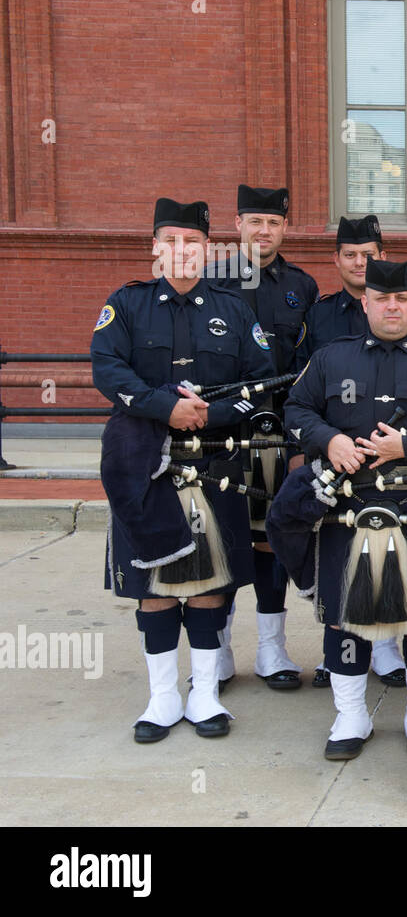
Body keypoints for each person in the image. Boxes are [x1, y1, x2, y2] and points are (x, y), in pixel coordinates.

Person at [92, 197, 274, 742]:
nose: (181, 251)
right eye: (170, 241)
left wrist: (210, 414)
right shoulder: (126, 305)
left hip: (213, 463)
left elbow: (259, 381)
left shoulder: (235, 310)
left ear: (206, 247)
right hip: (143, 467)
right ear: (155, 247)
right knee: (154, 585)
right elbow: (107, 370)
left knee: (209, 586)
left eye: (191, 242)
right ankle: (162, 696)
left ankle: (204, 695)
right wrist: (163, 407)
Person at [283, 257, 407, 758]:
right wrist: (330, 441)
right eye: (382, 299)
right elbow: (296, 410)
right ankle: (350, 716)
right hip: (350, 506)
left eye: (402, 299)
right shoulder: (331, 357)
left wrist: (406, 448)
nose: (392, 307)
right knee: (346, 617)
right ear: (365, 302)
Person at [206, 184, 320, 690]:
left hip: (279, 431)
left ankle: (272, 649)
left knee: (273, 536)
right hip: (223, 433)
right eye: (255, 222)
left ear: (285, 227)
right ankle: (221, 648)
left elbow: (308, 366)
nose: (264, 231)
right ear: (238, 225)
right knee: (224, 535)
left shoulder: (302, 286)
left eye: (273, 223)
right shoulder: (210, 281)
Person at [293, 214, 407, 689]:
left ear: (383, 256)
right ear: (336, 260)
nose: (361, 263)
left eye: (369, 255)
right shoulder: (318, 315)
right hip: (334, 459)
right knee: (339, 561)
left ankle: (384, 648)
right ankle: (336, 657)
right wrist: (309, 447)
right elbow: (301, 393)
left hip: (390, 459)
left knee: (387, 555)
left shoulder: (402, 307)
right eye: (351, 255)